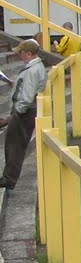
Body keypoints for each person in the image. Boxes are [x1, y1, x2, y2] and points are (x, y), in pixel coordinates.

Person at [0, 39, 47, 190]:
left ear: (28, 53)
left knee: (14, 145)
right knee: (14, 144)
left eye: (20, 52)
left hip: (24, 112)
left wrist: (17, 112)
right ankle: (9, 177)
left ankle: (8, 179)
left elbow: (27, 96)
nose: (19, 55)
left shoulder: (32, 71)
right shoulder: (37, 68)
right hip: (28, 110)